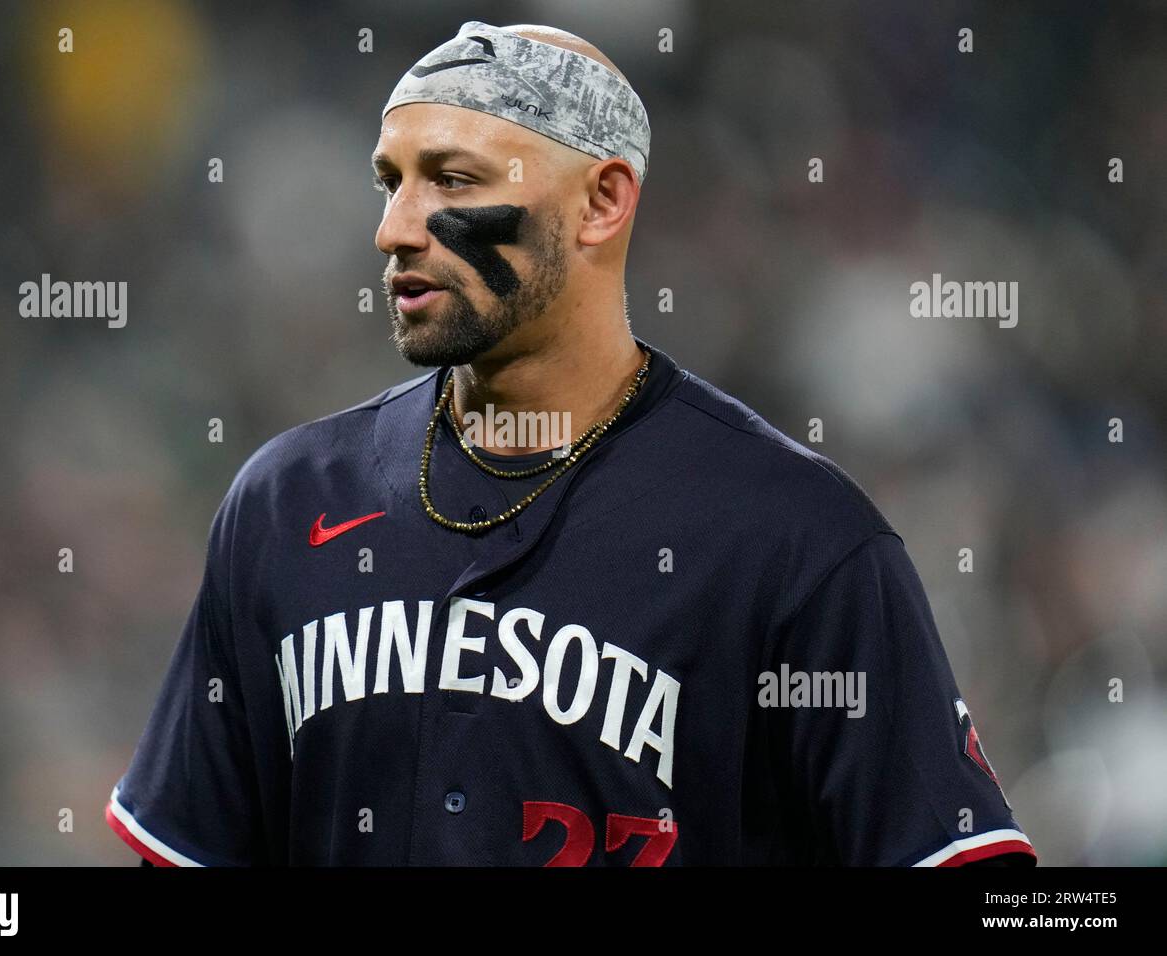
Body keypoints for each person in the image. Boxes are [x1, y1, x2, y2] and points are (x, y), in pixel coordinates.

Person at [106, 20, 1035, 866]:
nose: (393, 229)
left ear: (601, 202)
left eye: (454, 180)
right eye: (392, 182)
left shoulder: (796, 541)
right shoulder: (286, 502)